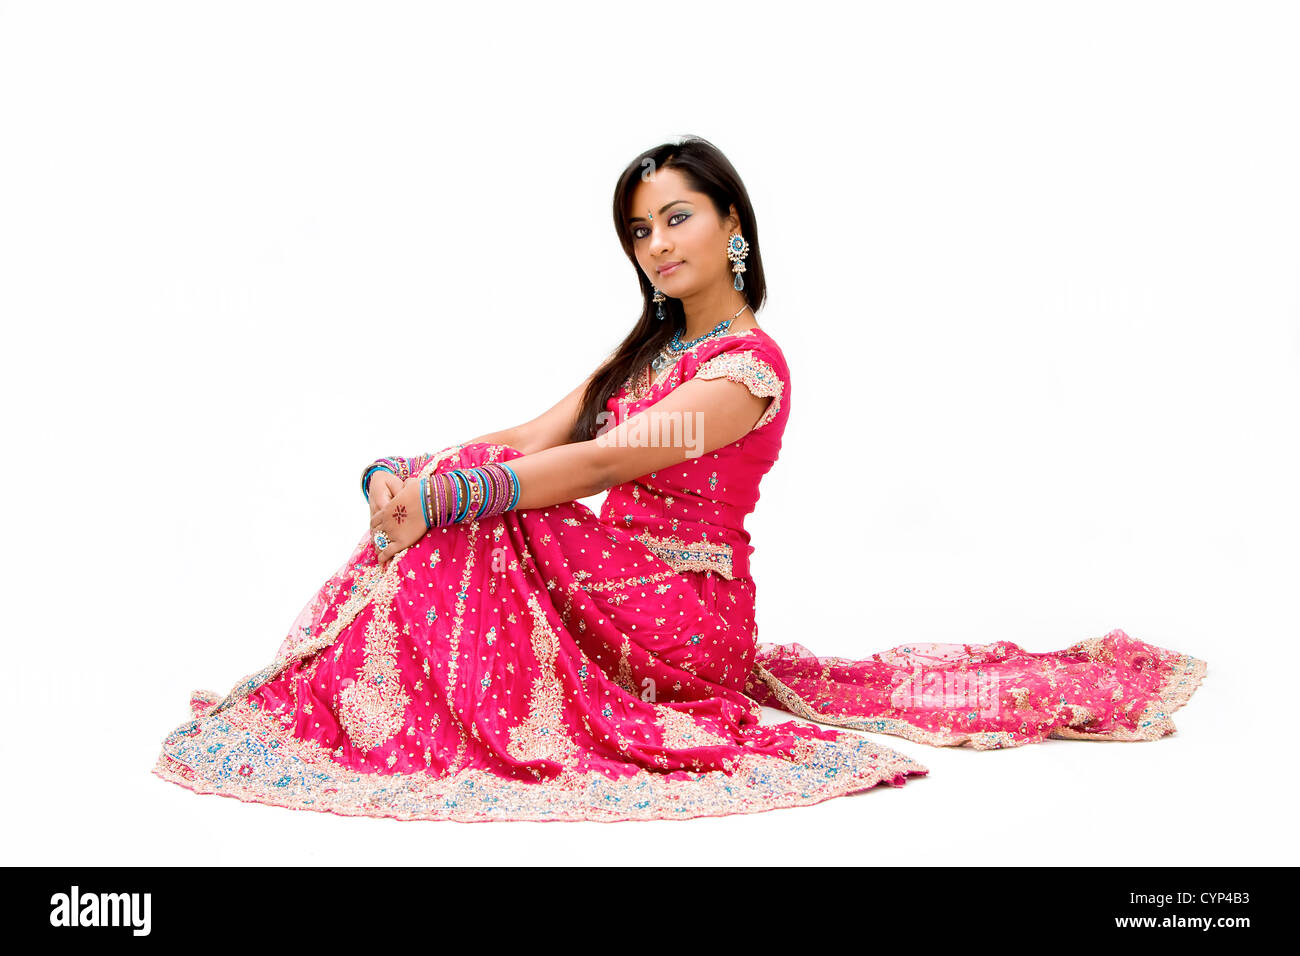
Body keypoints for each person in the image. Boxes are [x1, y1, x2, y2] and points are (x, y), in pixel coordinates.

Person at [153, 136, 1207, 822]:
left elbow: (604, 461)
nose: (656, 243)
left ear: (732, 225)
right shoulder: (647, 354)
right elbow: (538, 428)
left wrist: (443, 498)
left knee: (492, 504)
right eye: (639, 229)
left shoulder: (748, 369)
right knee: (484, 477)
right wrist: (413, 467)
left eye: (677, 217)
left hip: (684, 609)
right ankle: (360, 694)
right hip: (611, 572)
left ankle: (362, 696)